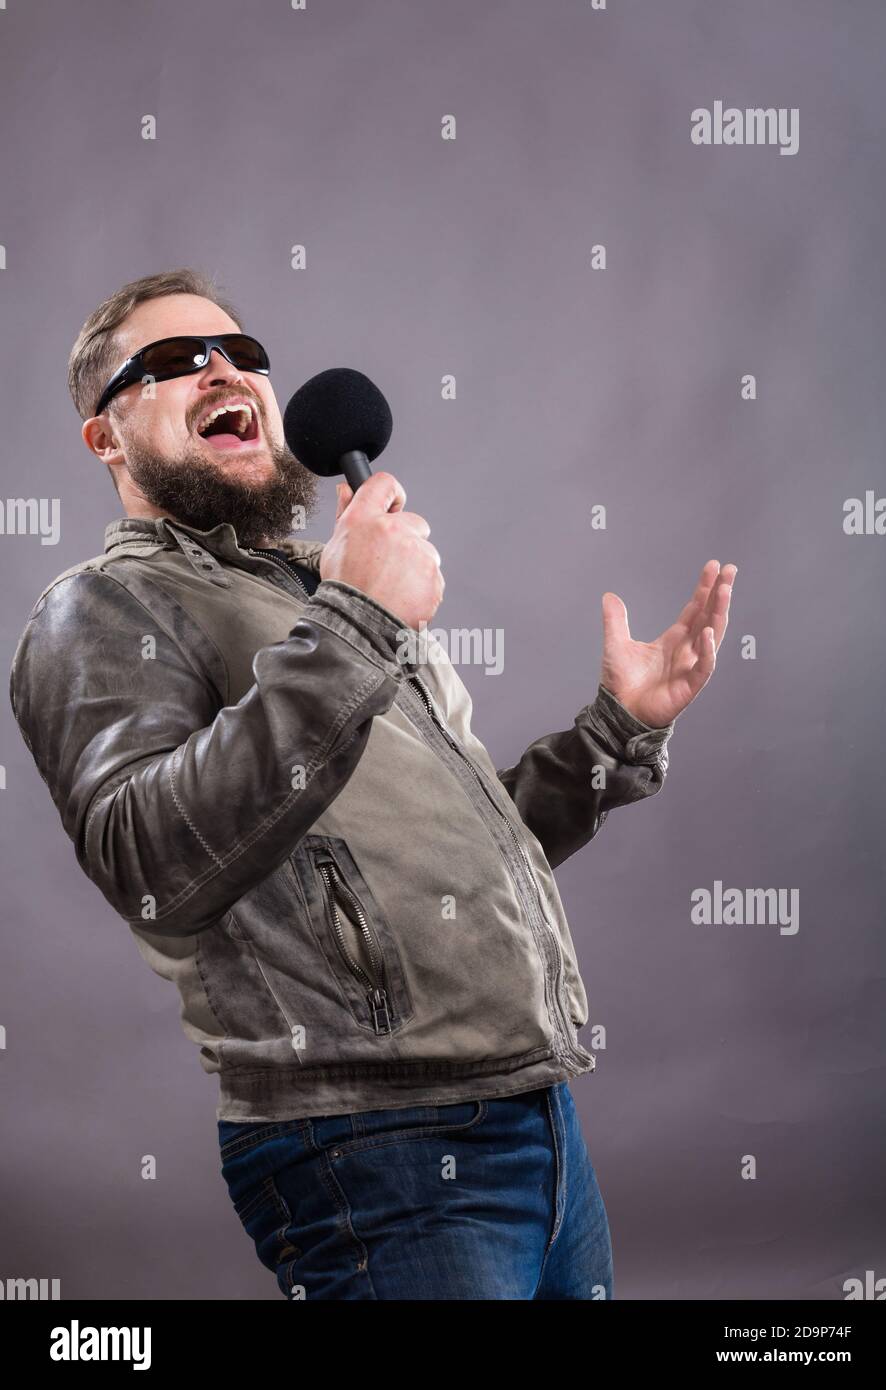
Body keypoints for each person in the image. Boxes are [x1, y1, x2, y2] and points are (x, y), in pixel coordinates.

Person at [8, 268, 736, 1300]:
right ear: (106, 437)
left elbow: (450, 850)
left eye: (239, 352)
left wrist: (618, 731)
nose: (223, 369)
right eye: (172, 362)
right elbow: (151, 865)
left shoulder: (328, 585)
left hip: (538, 1116)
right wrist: (355, 622)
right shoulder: (102, 607)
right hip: (373, 1145)